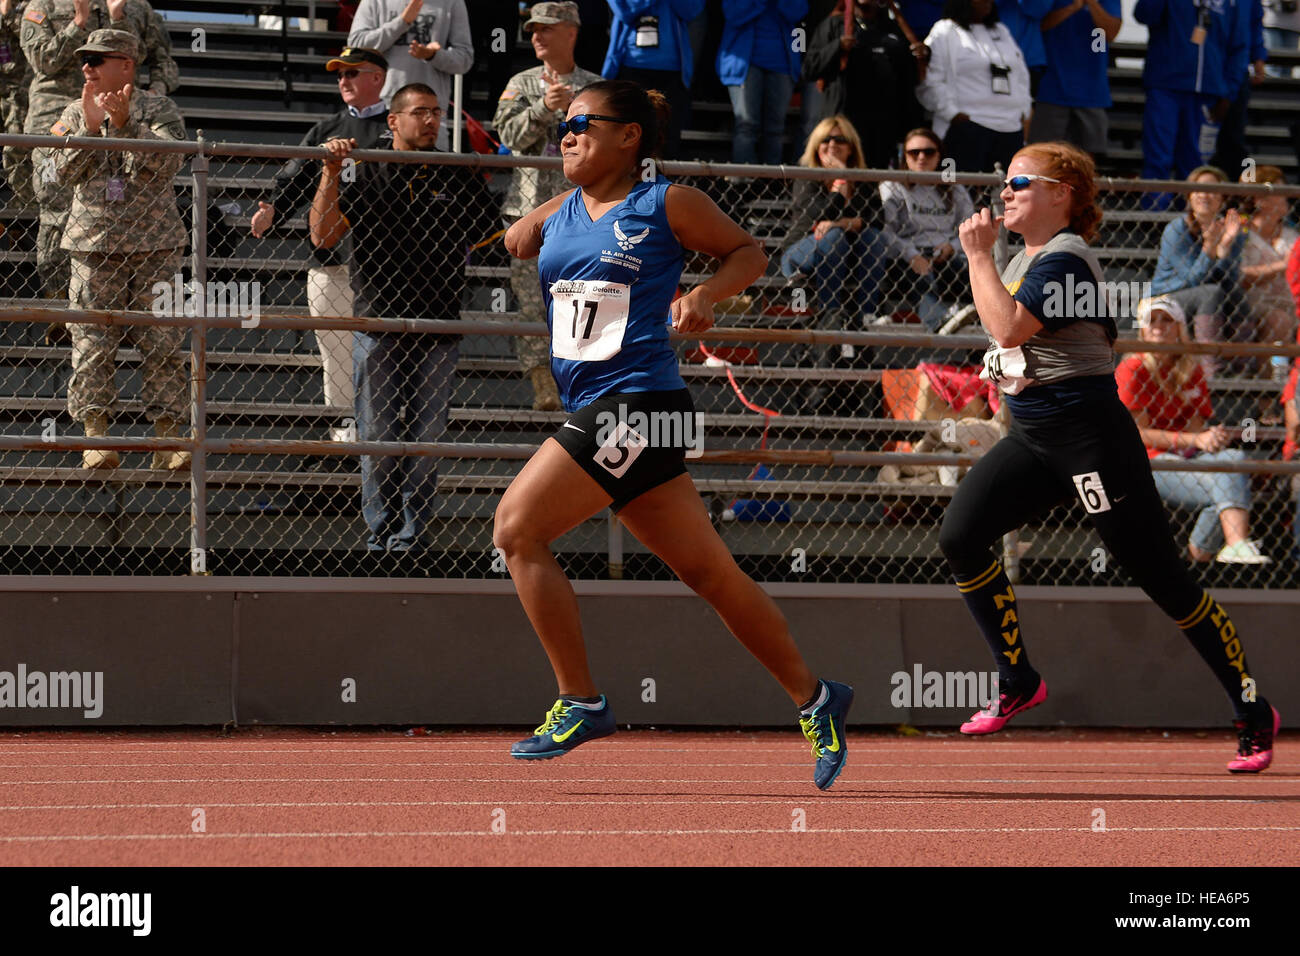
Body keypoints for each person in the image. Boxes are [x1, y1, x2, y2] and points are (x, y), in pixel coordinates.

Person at [498, 78, 853, 787]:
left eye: (583, 126)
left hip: (638, 404)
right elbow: (516, 240)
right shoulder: (566, 208)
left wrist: (703, 295)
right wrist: (543, 211)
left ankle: (581, 699)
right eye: (562, 127)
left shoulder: (666, 202)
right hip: (605, 408)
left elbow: (749, 252)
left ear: (630, 137)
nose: (565, 136)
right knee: (710, 574)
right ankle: (817, 698)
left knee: (516, 528)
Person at [938, 140, 1279, 773]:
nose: (1005, 192)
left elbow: (1007, 328)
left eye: (1020, 181)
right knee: (960, 536)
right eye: (1004, 182)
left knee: (1165, 582)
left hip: (1093, 444)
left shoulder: (1065, 259)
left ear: (1062, 192)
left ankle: (1253, 710)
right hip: (1035, 439)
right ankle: (1018, 679)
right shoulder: (1024, 259)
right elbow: (1007, 344)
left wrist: (978, 256)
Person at [309, 82, 495, 551]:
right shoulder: (364, 167)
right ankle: (381, 532)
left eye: (435, 112)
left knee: (428, 434)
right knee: (379, 432)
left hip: (440, 320)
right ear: (393, 121)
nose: (430, 120)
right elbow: (323, 236)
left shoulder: (459, 171)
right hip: (378, 319)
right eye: (419, 112)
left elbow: (491, 237)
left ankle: (411, 534)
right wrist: (331, 172)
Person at [53, 29, 188, 471]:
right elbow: (60, 174)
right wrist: (91, 128)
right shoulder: (73, 111)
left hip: (155, 244)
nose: (87, 67)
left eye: (98, 59)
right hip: (94, 244)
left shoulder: (161, 108)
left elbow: (168, 161)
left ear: (127, 64)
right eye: (85, 60)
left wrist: (128, 124)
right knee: (92, 342)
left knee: (163, 340)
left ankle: (168, 438)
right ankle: (97, 435)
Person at [250, 47, 391, 448]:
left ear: (377, 78)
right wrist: (272, 208)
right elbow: (294, 177)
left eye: (352, 73)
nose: (343, 80)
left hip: (385, 264)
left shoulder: (397, 127)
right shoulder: (326, 127)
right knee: (336, 353)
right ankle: (345, 426)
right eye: (339, 74)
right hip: (331, 262)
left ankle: (380, 423)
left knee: (382, 352)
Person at [21, 0, 177, 310]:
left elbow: (154, 59)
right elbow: (43, 61)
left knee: (115, 202)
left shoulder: (137, 8)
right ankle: (58, 297)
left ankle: (109, 297)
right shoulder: (44, 5)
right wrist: (78, 22)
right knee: (57, 205)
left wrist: (118, 19)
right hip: (57, 114)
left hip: (118, 111)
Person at [493, 2, 601, 412]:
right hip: (529, 211)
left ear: (571, 32)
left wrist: (578, 112)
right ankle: (541, 378)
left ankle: (580, 376)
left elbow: (610, 144)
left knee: (586, 297)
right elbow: (509, 135)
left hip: (585, 213)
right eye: (533, 29)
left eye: (546, 29)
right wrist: (543, 108)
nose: (536, 36)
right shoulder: (521, 82)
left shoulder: (595, 87)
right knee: (532, 302)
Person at [1117, 296, 1272, 564]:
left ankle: (1227, 547)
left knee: (1234, 459)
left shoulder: (1190, 367)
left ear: (1179, 328)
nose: (1159, 327)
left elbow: (1196, 430)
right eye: (1152, 321)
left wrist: (1210, 439)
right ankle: (1217, 548)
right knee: (1225, 483)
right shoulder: (1133, 367)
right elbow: (1138, 435)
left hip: (1186, 456)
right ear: (1142, 329)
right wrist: (1196, 440)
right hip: (1148, 460)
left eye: (1167, 320)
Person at [779, 115, 897, 407]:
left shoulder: (865, 179)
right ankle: (832, 312)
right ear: (816, 147)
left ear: (851, 147)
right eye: (826, 140)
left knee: (871, 238)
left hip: (846, 252)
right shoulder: (806, 176)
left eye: (840, 140)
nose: (832, 145)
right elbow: (817, 219)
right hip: (799, 253)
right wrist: (840, 188)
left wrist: (842, 219)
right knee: (834, 238)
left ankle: (868, 314)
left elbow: (874, 221)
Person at [1134, 0, 1250, 209]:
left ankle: (1191, 222)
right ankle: (1153, 217)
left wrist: (1228, 93)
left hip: (1208, 93)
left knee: (1196, 163)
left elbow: (1240, 46)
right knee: (1158, 158)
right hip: (1165, 85)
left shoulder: (1233, 3)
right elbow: (1144, 14)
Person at [1150, 165, 1248, 378]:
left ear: (1222, 198)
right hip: (1168, 298)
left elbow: (1230, 280)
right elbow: (1191, 280)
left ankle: (1243, 370)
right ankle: (1210, 370)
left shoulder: (1231, 229)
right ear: (1190, 196)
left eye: (1212, 190)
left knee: (1238, 295)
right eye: (1199, 189)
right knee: (1209, 292)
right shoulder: (1177, 229)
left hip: (1211, 297)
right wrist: (1209, 247)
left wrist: (1226, 245)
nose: (1205, 195)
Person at [804, 1, 923, 170]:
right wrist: (837, 46)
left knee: (876, 178)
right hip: (845, 124)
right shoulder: (834, 25)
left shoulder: (893, 29)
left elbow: (908, 79)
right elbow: (809, 69)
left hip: (883, 126)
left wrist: (921, 56)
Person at [916, 0, 1032, 173]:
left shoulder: (1001, 30)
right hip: (968, 126)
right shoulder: (945, 30)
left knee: (1003, 192)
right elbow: (932, 80)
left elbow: (1021, 74)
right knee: (962, 191)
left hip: (1010, 127)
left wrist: (1023, 110)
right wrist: (952, 114)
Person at [880, 126, 974, 331]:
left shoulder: (954, 187)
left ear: (939, 155)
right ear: (904, 156)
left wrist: (952, 246)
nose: (921, 157)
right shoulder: (892, 186)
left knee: (970, 269)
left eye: (929, 152)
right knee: (922, 275)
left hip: (947, 253)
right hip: (905, 256)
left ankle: (976, 321)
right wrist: (912, 255)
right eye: (914, 152)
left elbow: (969, 226)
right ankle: (939, 323)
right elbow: (886, 231)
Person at [346, 0, 472, 152]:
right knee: (377, 172)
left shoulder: (452, 2)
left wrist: (434, 55)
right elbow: (356, 48)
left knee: (433, 173)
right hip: (380, 111)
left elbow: (464, 60)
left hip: (430, 116)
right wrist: (402, 22)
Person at [602, 1, 704, 159]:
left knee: (668, 134)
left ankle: (665, 181)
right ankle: (630, 180)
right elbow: (624, 12)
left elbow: (692, 10)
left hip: (673, 69)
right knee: (631, 131)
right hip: (631, 65)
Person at [717, 0, 807, 166]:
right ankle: (743, 184)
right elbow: (733, 14)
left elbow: (799, 11)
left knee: (775, 129)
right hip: (745, 64)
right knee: (746, 125)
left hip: (783, 65)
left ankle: (770, 183)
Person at [1029, 0, 1122, 156]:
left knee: (1088, 162)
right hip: (1051, 91)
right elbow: (1037, 25)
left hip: (1092, 94)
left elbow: (1111, 32)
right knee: (1044, 158)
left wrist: (1091, 3)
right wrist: (1073, 7)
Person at [1237, 164, 1299, 349]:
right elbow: (1239, 275)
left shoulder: (1292, 236)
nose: (1286, 196)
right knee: (1279, 320)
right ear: (1259, 199)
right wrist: (1283, 265)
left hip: (1292, 302)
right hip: (1254, 303)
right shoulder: (1242, 232)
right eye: (1279, 191)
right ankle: (1273, 377)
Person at [1, 0, 34, 211]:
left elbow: (31, 38)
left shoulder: (33, 6)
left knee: (15, 149)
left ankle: (25, 203)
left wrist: (7, 14)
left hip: (20, 92)